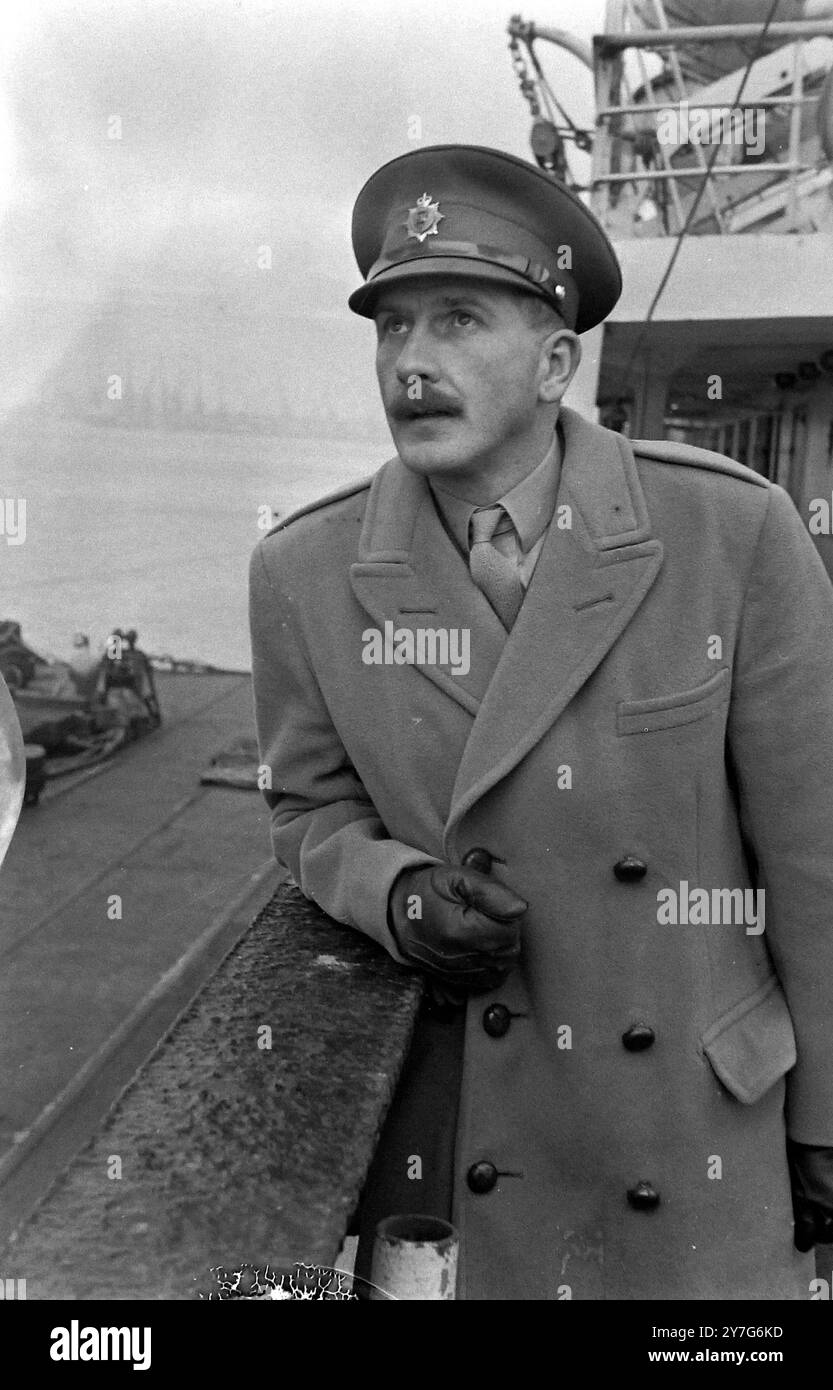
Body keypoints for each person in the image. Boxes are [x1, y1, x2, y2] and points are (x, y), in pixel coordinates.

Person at [248, 144, 833, 1300]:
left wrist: (827, 1116)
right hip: (471, 1135)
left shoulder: (730, 534)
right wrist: (396, 891)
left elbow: (814, 860)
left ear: (556, 361)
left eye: (457, 320)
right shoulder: (302, 571)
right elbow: (308, 809)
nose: (410, 363)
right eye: (390, 328)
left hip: (694, 1129)